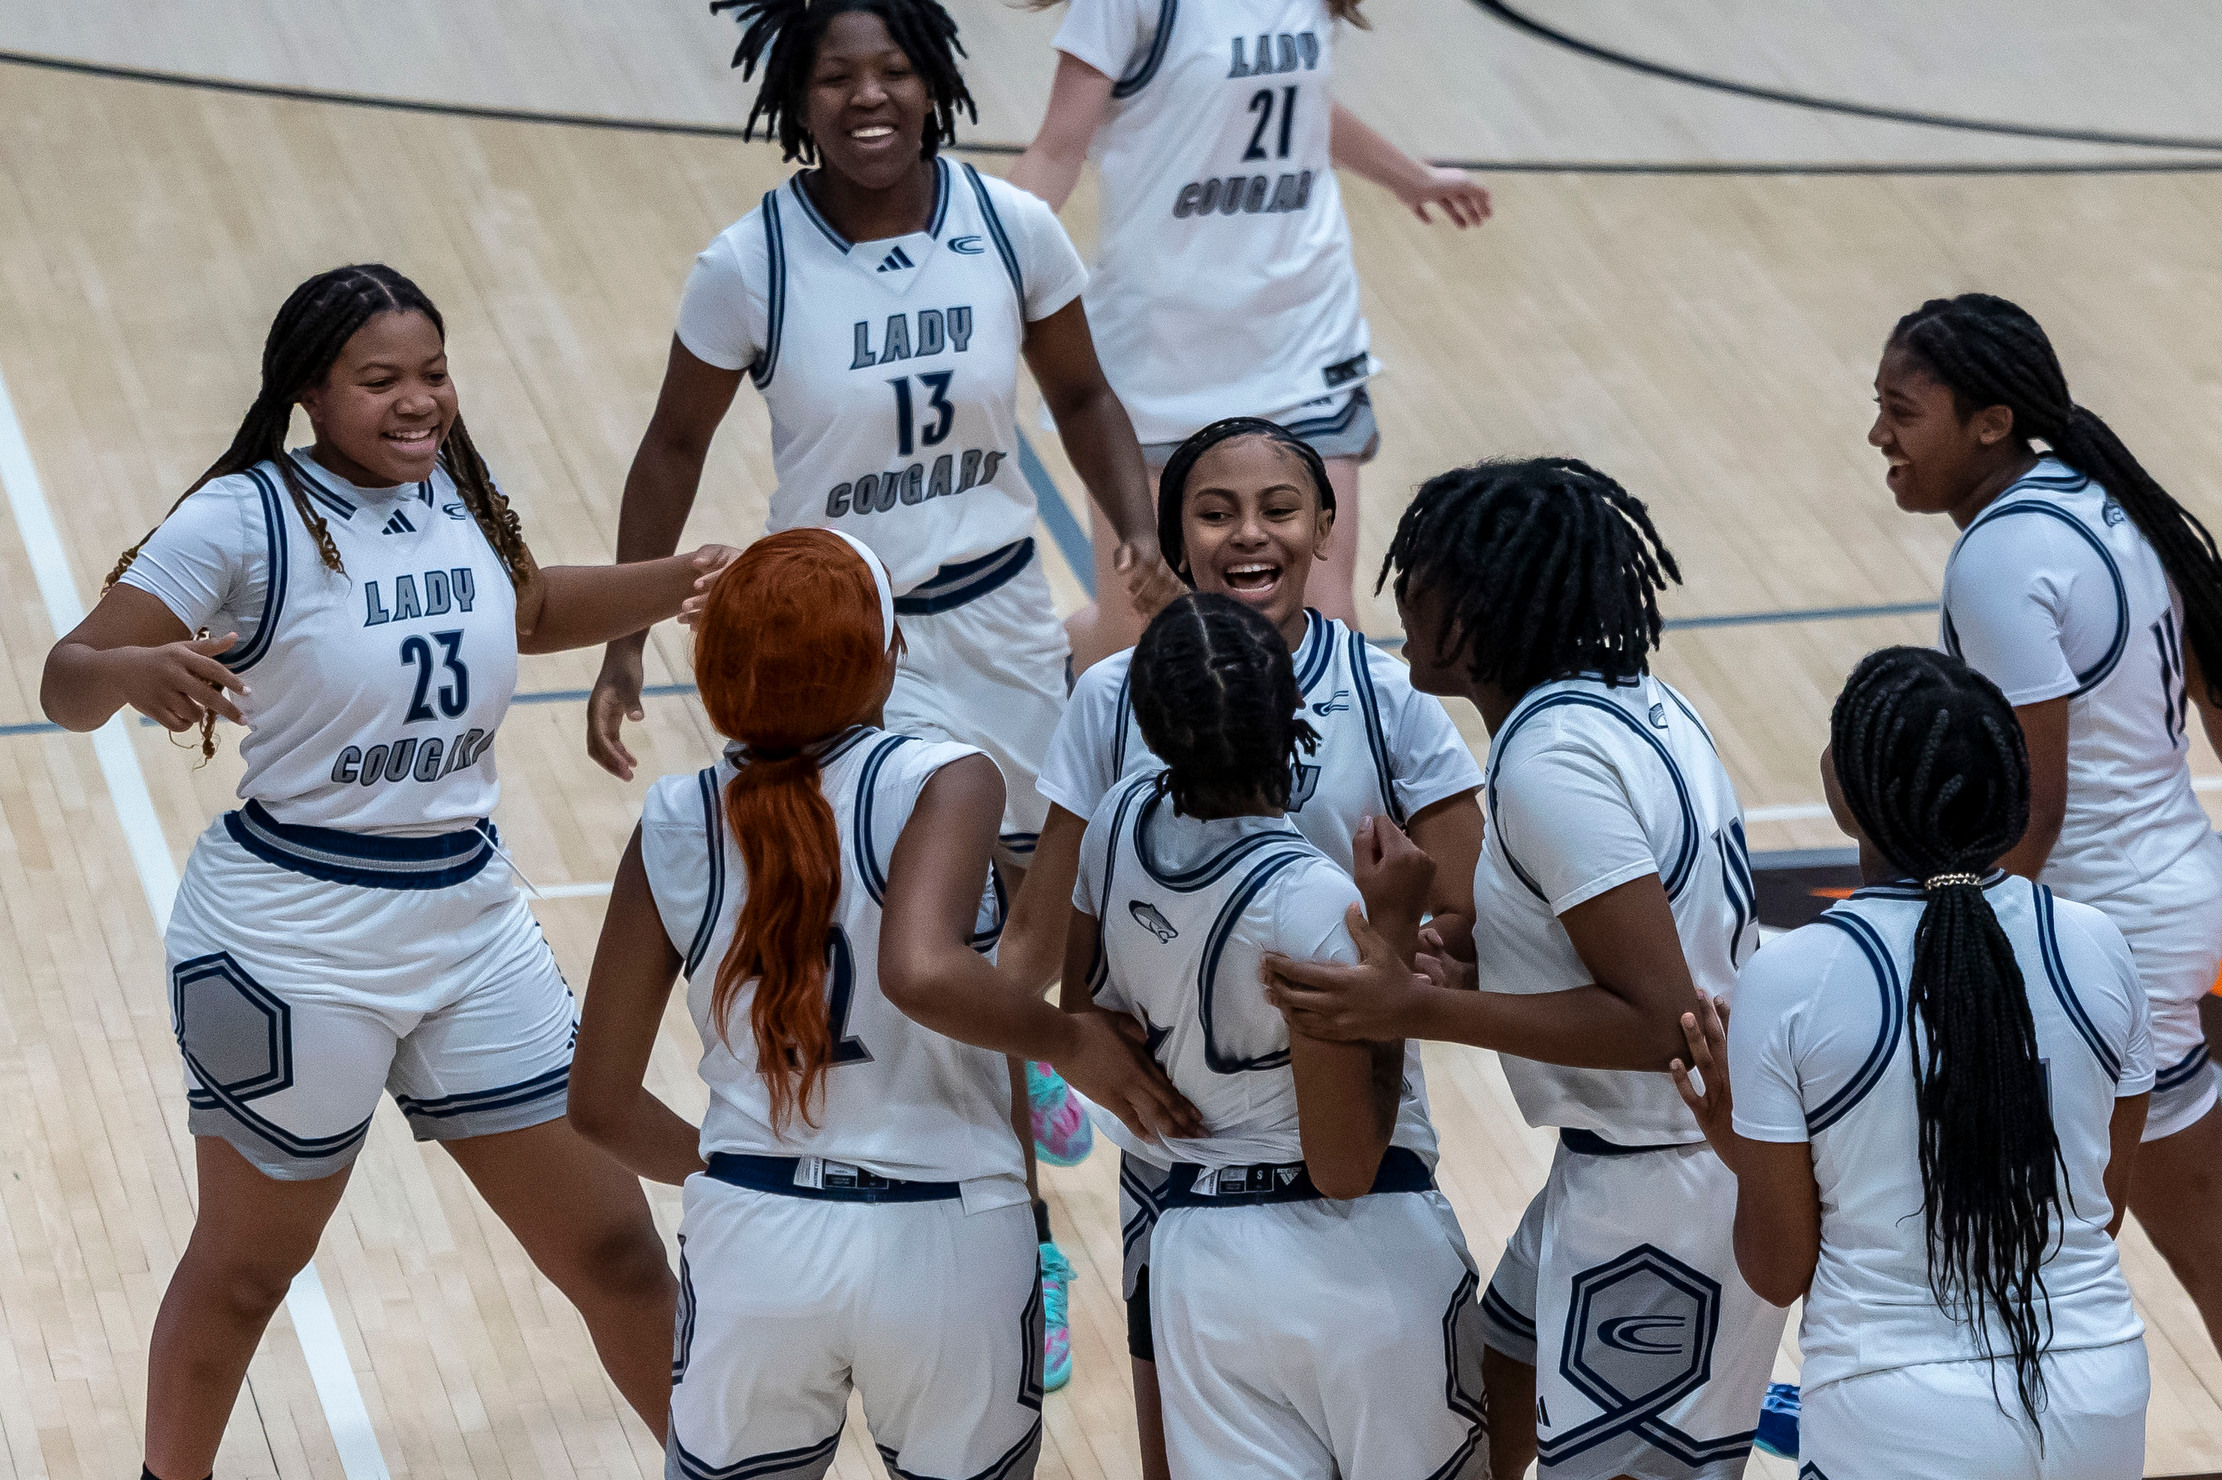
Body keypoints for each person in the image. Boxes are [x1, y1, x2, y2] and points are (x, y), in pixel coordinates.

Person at [38, 264, 722, 1480]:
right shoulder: (244, 519)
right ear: (308, 390)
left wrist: (681, 585)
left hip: (466, 923)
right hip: (292, 938)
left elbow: (529, 604)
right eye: (380, 381)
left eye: (434, 373)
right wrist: (127, 675)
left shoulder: (452, 485)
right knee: (249, 1270)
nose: (418, 404)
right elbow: (66, 673)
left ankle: (721, 1465)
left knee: (618, 1248)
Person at [586, 0, 1182, 1374]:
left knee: (1043, 927)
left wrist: (1134, 526)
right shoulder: (747, 266)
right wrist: (623, 636)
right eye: (836, 75)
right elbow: (672, 445)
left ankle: (1038, 1083)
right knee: (924, 966)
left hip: (999, 626)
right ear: (795, 97)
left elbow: (1085, 399)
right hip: (847, 659)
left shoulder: (1009, 231)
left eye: (892, 69)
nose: (867, 96)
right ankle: (1023, 1258)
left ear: (934, 84)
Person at [567, 529, 1194, 1479]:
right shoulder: (945, 776)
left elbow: (600, 1104)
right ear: (883, 660)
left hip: (757, 1239)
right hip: (946, 1237)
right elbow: (933, 972)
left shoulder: (670, 816)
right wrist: (1068, 1040)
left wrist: (743, 1166)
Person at [1264, 457, 1786, 1480]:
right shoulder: (1630, 703)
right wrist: (1477, 955)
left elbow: (1657, 1020)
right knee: (1492, 1382)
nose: (1394, 590)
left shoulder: (1548, 758)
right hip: (1631, 1165)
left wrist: (1411, 1005)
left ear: (1475, 607)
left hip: (1662, 1184)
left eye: (1421, 577)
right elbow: (1638, 925)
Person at [996, 415, 1483, 1477]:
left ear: (1322, 525)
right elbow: (1061, 951)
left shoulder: (1382, 694)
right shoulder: (1105, 701)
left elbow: (1472, 907)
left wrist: (1394, 964)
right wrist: (1060, 1036)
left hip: (1349, 1149)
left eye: (1275, 507)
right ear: (1173, 541)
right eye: (1213, 512)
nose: (1245, 533)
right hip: (1177, 1173)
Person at [1673, 646, 2153, 1477]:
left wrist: (1742, 1149)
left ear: (1850, 796)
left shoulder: (1790, 979)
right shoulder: (2098, 947)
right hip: (2100, 1391)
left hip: (1891, 1413)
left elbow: (1778, 1269)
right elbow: (2096, 1210)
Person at [1870, 292, 2222, 1359]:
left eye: (1900, 410)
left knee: (2048, 1248)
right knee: (2197, 1236)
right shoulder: (2101, 501)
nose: (1877, 435)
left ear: (1987, 422)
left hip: (2099, 934)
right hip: (2165, 895)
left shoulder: (1996, 556)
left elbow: (2031, 801)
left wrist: (1946, 943)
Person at [1008, 0, 1492, 663]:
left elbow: (1298, 104)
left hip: (1303, 338)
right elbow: (1056, 150)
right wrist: (979, 266)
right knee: (1140, 642)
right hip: (1161, 361)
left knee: (1322, 628)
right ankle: (1053, 668)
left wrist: (1413, 178)